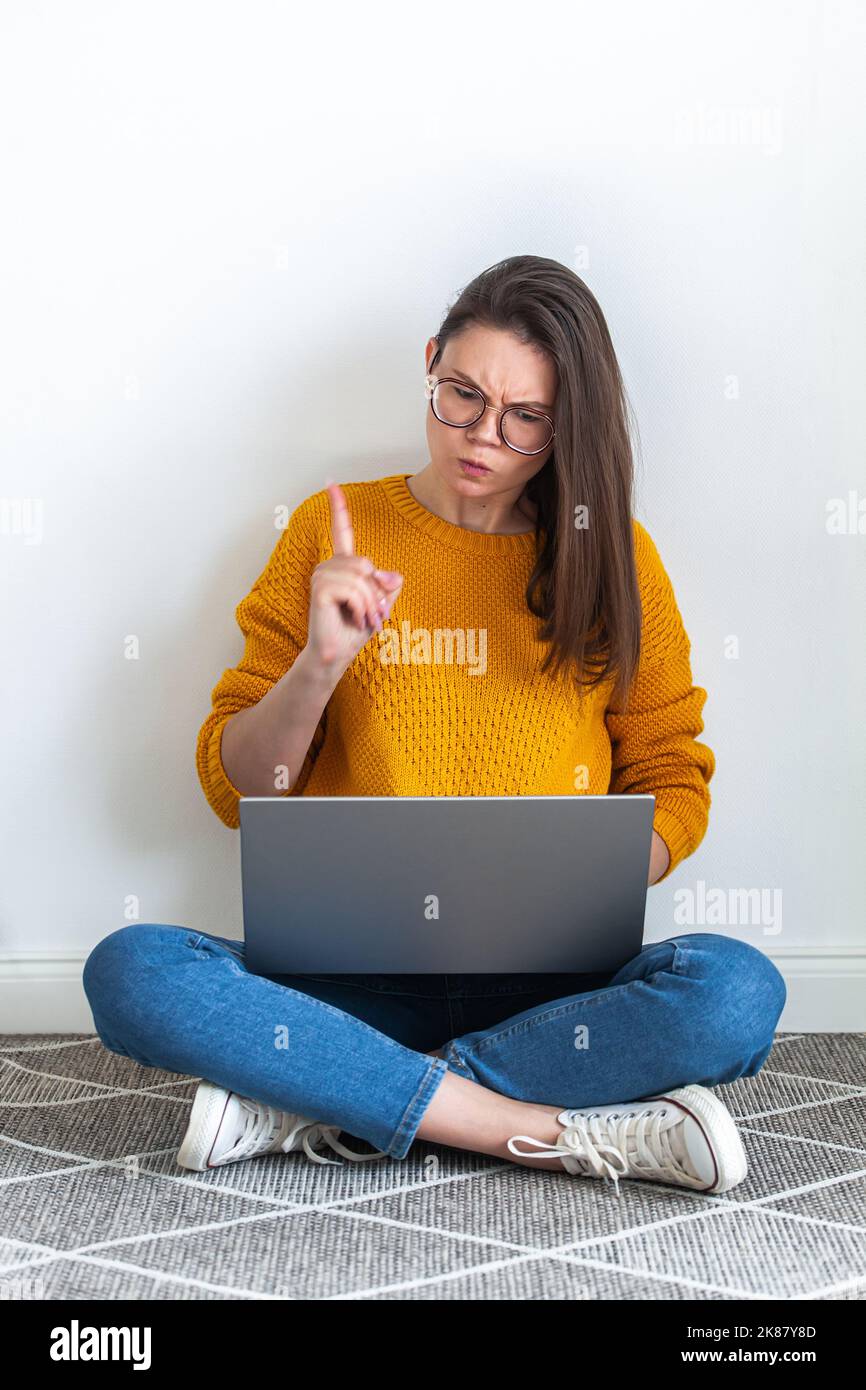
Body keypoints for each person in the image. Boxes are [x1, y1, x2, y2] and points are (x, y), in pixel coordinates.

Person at [82, 254, 786, 1197]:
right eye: (461, 395)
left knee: (737, 992)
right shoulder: (332, 533)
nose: (483, 435)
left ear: (565, 425)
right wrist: (318, 666)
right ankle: (530, 1127)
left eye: (526, 416)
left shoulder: (613, 554)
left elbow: (671, 769)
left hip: (554, 992)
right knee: (132, 970)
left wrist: (600, 869)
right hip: (343, 987)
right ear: (431, 363)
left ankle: (320, 1103)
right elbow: (240, 788)